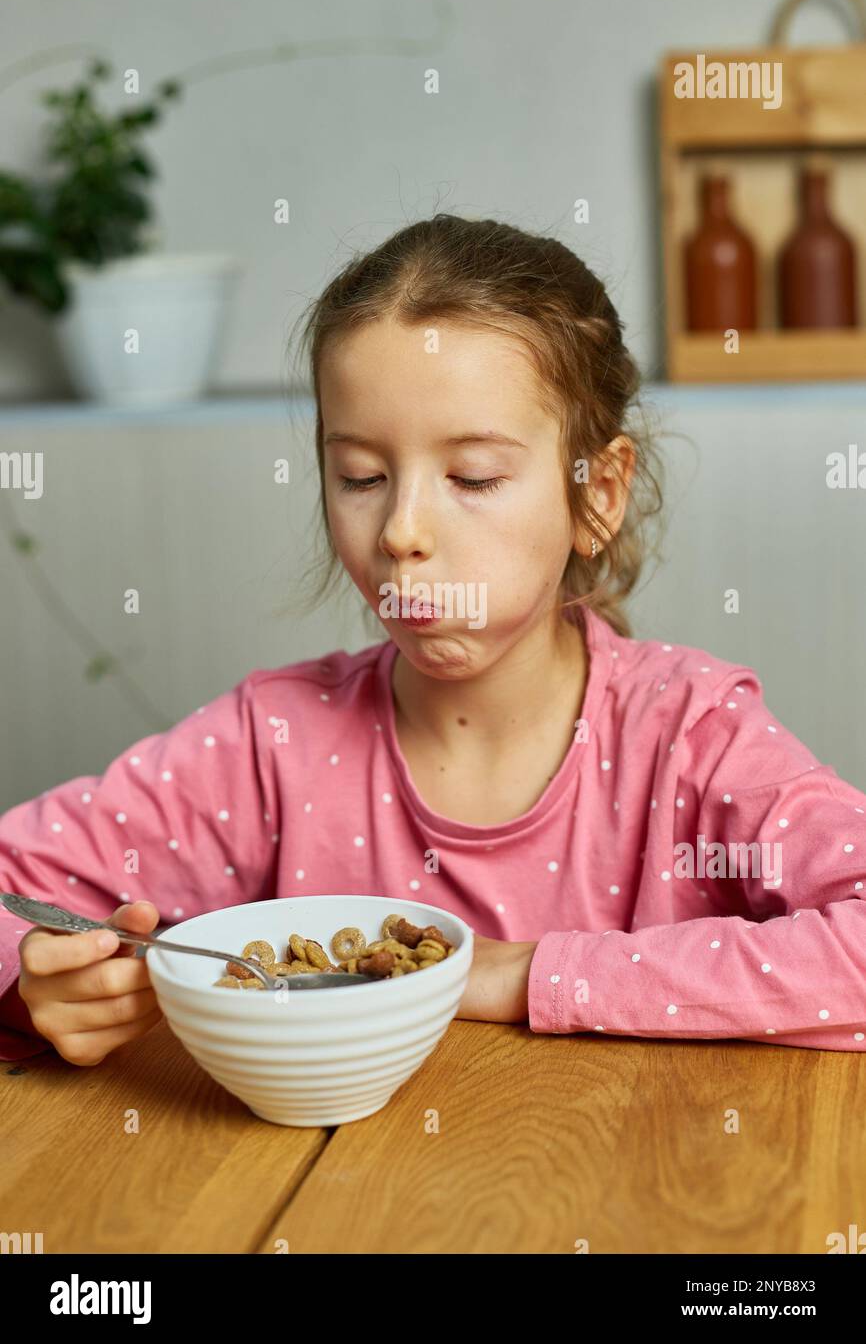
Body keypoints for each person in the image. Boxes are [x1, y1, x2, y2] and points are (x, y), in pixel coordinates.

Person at [2, 213, 864, 1066]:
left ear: (597, 492)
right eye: (362, 477)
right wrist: (30, 989)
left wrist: (524, 974)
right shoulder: (271, 747)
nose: (401, 530)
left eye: (473, 477)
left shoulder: (690, 739)